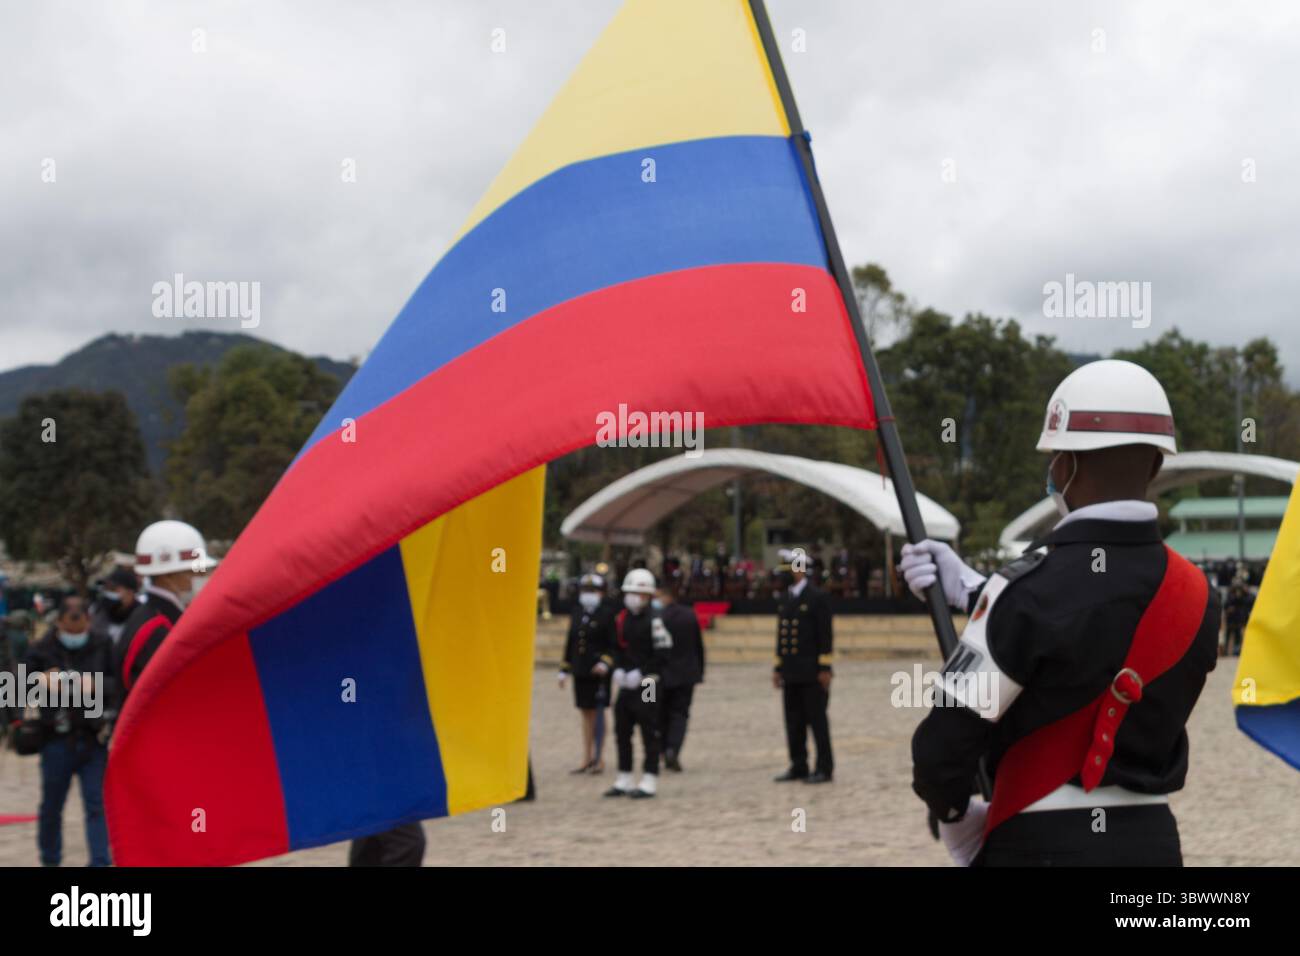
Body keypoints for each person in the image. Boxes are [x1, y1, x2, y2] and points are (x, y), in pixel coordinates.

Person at [904, 359, 1219, 867]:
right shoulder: (1200, 596)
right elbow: (1098, 619)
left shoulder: (1025, 588)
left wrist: (955, 817)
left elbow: (941, 748)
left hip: (1036, 844)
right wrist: (972, 590)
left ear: (1065, 465)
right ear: (1157, 466)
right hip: (1152, 847)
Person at [25, 596, 117, 866]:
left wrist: (96, 685)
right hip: (55, 738)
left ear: (88, 621)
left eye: (80, 630)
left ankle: (100, 862)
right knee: (52, 808)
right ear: (59, 623)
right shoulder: (42, 648)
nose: (75, 635)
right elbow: (13, 688)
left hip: (93, 738)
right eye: (69, 629)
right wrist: (40, 681)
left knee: (96, 806)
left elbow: (120, 686)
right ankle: (50, 860)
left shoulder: (102, 644)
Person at [115, 520, 216, 700]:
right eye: (196, 570)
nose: (202, 576)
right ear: (168, 575)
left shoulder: (160, 615)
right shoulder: (155, 628)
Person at [604, 569, 671, 799]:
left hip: (649, 683)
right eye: (631, 593)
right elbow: (615, 647)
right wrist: (618, 669)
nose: (635, 597)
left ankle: (649, 777)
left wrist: (642, 672)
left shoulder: (656, 619)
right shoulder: (621, 618)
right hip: (627, 681)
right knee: (622, 728)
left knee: (648, 727)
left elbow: (663, 653)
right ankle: (623, 776)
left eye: (640, 594)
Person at [772, 550, 835, 784]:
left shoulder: (817, 597)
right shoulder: (786, 597)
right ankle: (798, 764)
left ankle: (824, 767)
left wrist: (825, 668)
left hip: (812, 672)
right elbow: (782, 636)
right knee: (793, 721)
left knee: (817, 721)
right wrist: (778, 669)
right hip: (791, 671)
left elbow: (825, 635)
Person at [558, 573, 615, 773]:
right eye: (585, 591)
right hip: (581, 670)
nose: (588, 594)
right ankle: (587, 755)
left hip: (598, 672)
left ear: (600, 593)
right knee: (584, 713)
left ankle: (600, 757)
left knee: (598, 713)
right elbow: (571, 642)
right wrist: (564, 669)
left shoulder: (607, 614)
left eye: (592, 591)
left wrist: (605, 663)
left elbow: (613, 645)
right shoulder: (577, 611)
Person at [655, 583, 705, 772]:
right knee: (680, 714)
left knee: (658, 712)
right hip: (686, 674)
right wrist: (699, 671)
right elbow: (698, 646)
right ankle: (672, 749)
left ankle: (661, 749)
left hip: (658, 676)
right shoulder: (689, 614)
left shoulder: (655, 617)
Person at [90, 567, 140, 647]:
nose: (108, 593)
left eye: (113, 589)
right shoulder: (98, 611)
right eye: (106, 589)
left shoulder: (142, 616)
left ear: (130, 593)